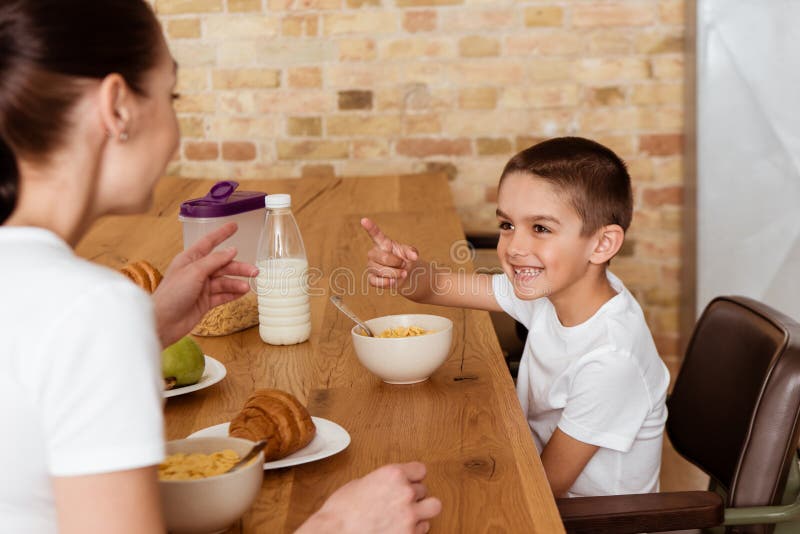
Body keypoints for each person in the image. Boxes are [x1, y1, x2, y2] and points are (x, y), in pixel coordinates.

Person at [0, 1, 440, 532]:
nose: (176, 129)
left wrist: (149, 327)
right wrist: (338, 526)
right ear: (117, 107)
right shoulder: (95, 309)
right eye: (171, 96)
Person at [362, 137, 671, 498]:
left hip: (580, 515)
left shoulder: (611, 358)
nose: (515, 247)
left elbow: (545, 486)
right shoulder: (554, 290)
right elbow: (437, 286)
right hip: (528, 462)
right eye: (507, 225)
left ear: (602, 244)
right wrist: (404, 272)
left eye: (540, 228)